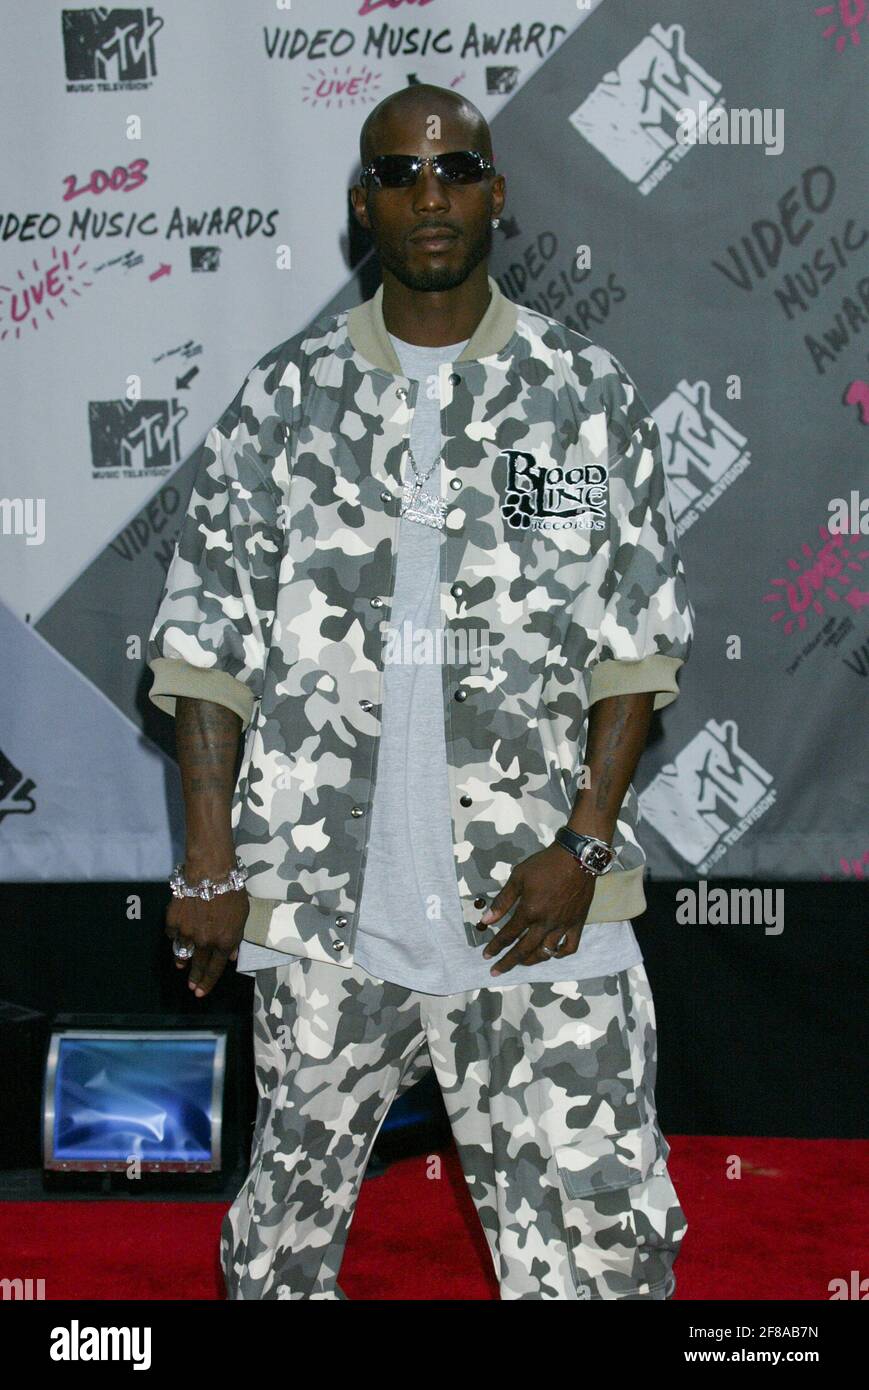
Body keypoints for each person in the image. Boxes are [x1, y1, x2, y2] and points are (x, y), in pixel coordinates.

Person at [147, 83, 694, 1300]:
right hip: (325, 911)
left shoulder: (580, 393)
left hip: (539, 904)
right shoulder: (280, 406)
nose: (428, 195)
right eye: (398, 175)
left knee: (604, 1255)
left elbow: (633, 647)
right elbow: (202, 654)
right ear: (362, 204)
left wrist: (585, 844)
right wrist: (207, 865)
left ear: (495, 191)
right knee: (277, 1258)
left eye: (454, 170)